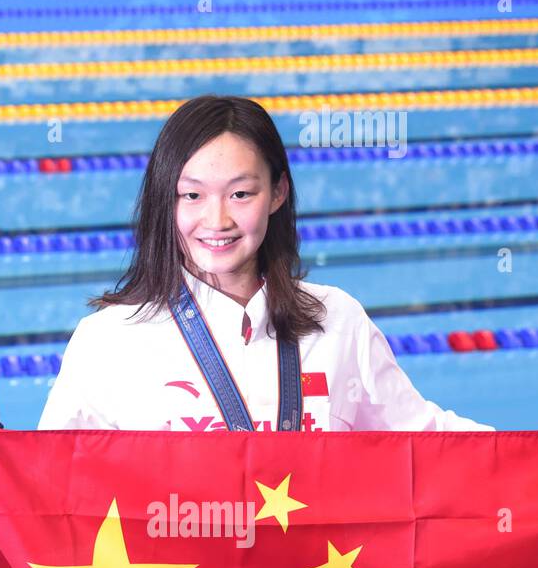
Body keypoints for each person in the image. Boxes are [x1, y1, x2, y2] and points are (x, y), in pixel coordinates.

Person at [40, 95, 491, 433]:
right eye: (192, 195)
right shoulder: (108, 341)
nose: (217, 220)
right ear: (166, 200)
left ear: (277, 193)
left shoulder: (337, 322)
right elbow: (44, 491)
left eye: (240, 193)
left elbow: (427, 444)